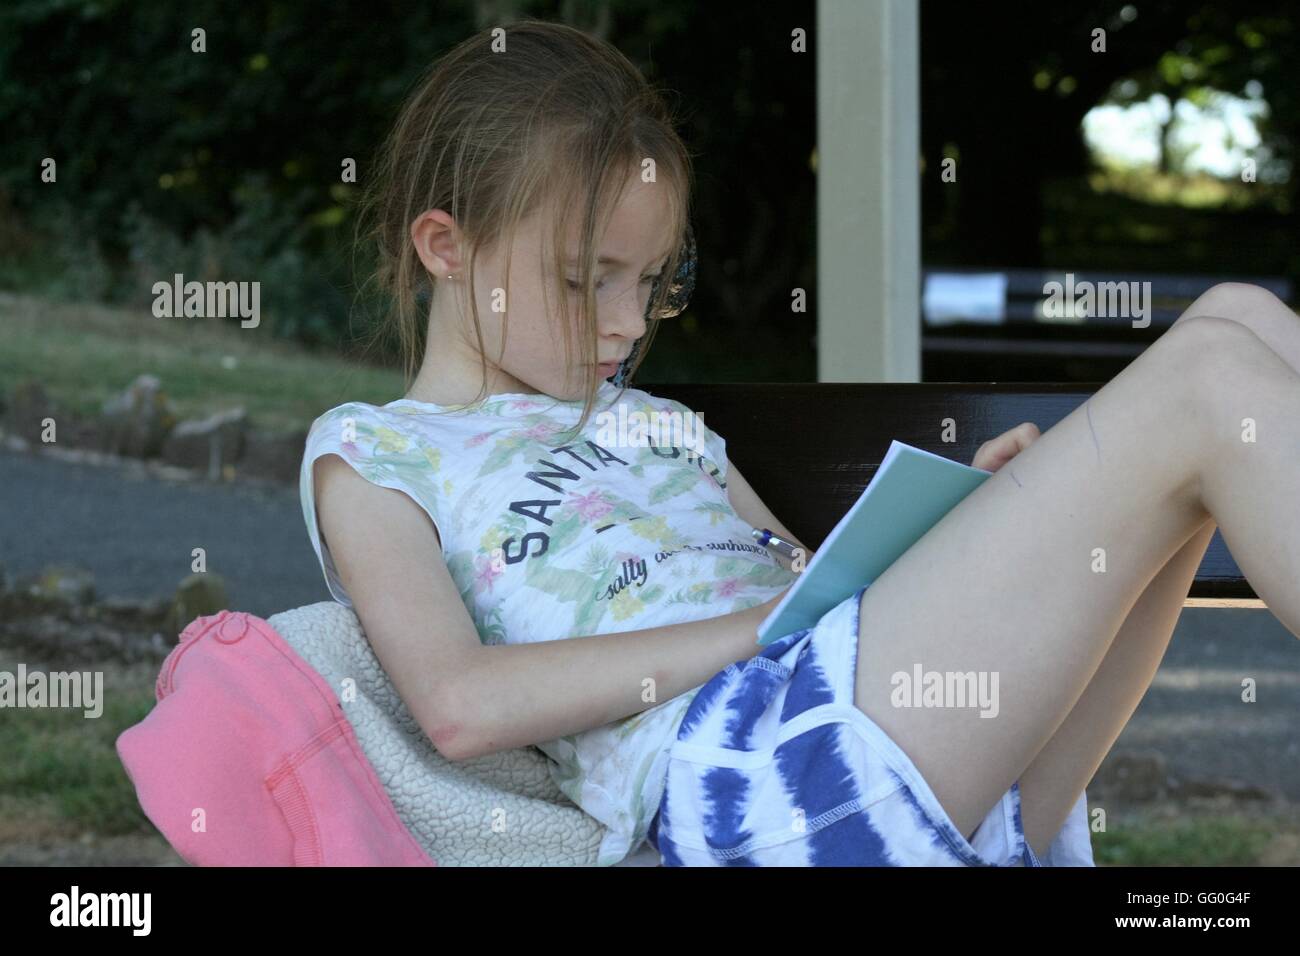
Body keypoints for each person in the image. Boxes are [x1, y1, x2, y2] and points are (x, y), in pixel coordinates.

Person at [300, 19, 1300, 866]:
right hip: (752, 781)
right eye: (581, 280)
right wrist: (762, 627)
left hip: (890, 738)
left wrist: (967, 526)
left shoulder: (658, 423)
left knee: (1237, 316)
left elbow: (818, 580)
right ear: (446, 245)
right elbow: (458, 704)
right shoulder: (378, 453)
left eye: (650, 283)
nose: (624, 323)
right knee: (1208, 379)